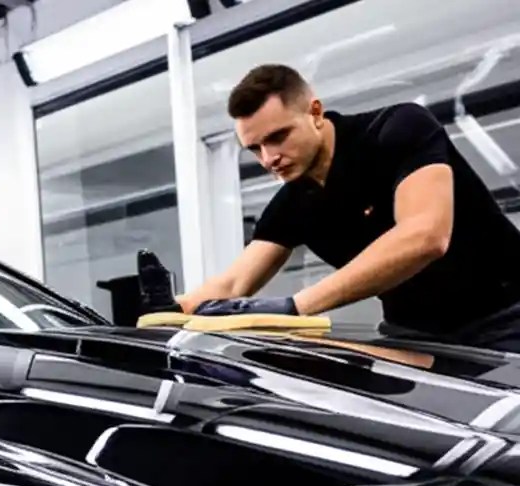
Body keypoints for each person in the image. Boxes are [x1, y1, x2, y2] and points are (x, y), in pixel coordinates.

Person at [144, 63, 520, 351]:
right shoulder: (293, 201)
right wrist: (175, 309)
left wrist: (296, 306)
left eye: (278, 137)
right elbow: (232, 283)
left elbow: (424, 237)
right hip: (414, 334)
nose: (269, 158)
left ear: (316, 112)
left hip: (506, 315)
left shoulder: (397, 130)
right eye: (255, 148)